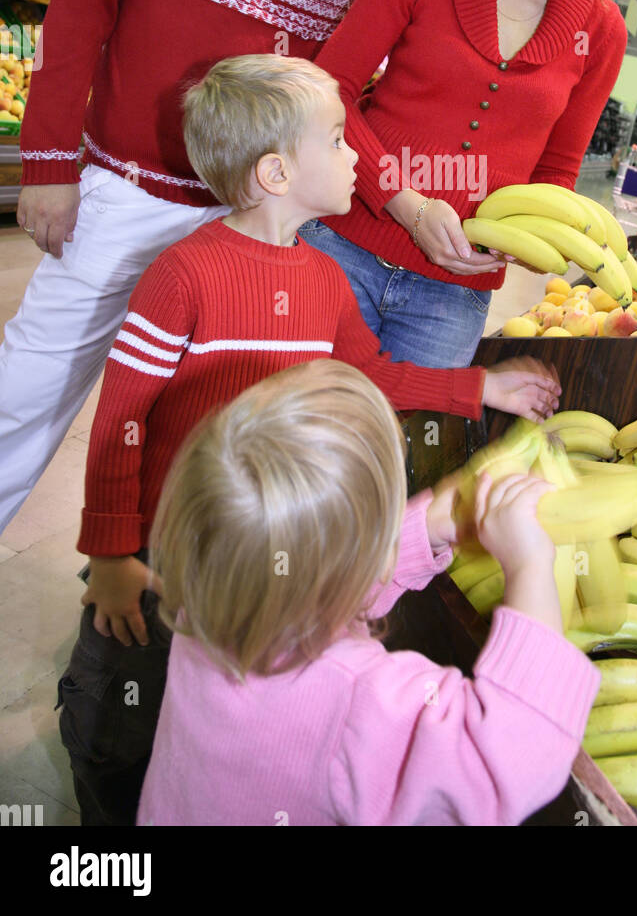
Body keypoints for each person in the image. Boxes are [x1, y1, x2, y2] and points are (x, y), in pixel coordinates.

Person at [57, 55, 560, 827]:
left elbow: (374, 373)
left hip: (269, 547)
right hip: (169, 549)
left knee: (205, 716)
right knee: (116, 713)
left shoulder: (323, 281)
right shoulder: (182, 276)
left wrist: (478, 389)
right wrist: (113, 553)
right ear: (275, 172)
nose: (358, 152)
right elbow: (121, 419)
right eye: (337, 138)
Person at [0, 0, 417, 533]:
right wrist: (48, 163)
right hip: (116, 194)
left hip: (243, 230)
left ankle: (134, 625)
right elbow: (80, 6)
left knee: (196, 443)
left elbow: (354, 92)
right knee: (23, 398)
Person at [136, 359, 600, 826]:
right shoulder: (358, 704)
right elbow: (510, 759)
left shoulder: (212, 596)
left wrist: (423, 531)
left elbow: (302, 576)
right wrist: (529, 566)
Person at [304, 0, 632, 366]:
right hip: (336, 247)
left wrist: (521, 246)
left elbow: (555, 174)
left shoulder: (601, 29)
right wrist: (407, 203)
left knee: (403, 456)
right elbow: (329, 89)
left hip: (453, 295)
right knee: (289, 440)